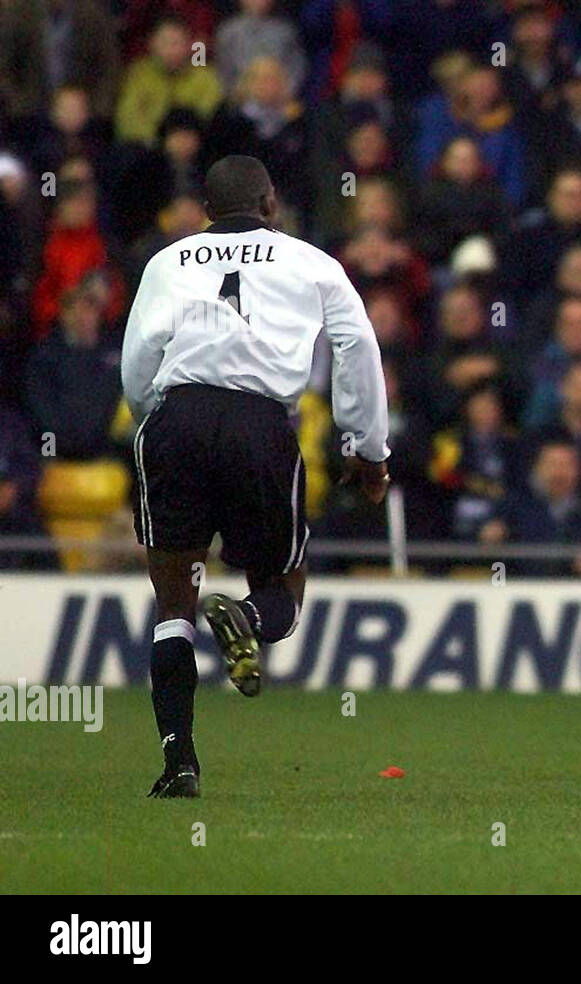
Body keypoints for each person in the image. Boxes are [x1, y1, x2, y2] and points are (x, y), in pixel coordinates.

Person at [121, 155, 390, 798]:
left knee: (172, 606)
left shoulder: (167, 261)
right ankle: (246, 616)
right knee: (282, 589)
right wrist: (365, 445)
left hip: (177, 420)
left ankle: (179, 764)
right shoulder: (312, 262)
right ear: (270, 204)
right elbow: (358, 345)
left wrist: (150, 420)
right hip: (258, 425)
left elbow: (139, 354)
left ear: (206, 210)